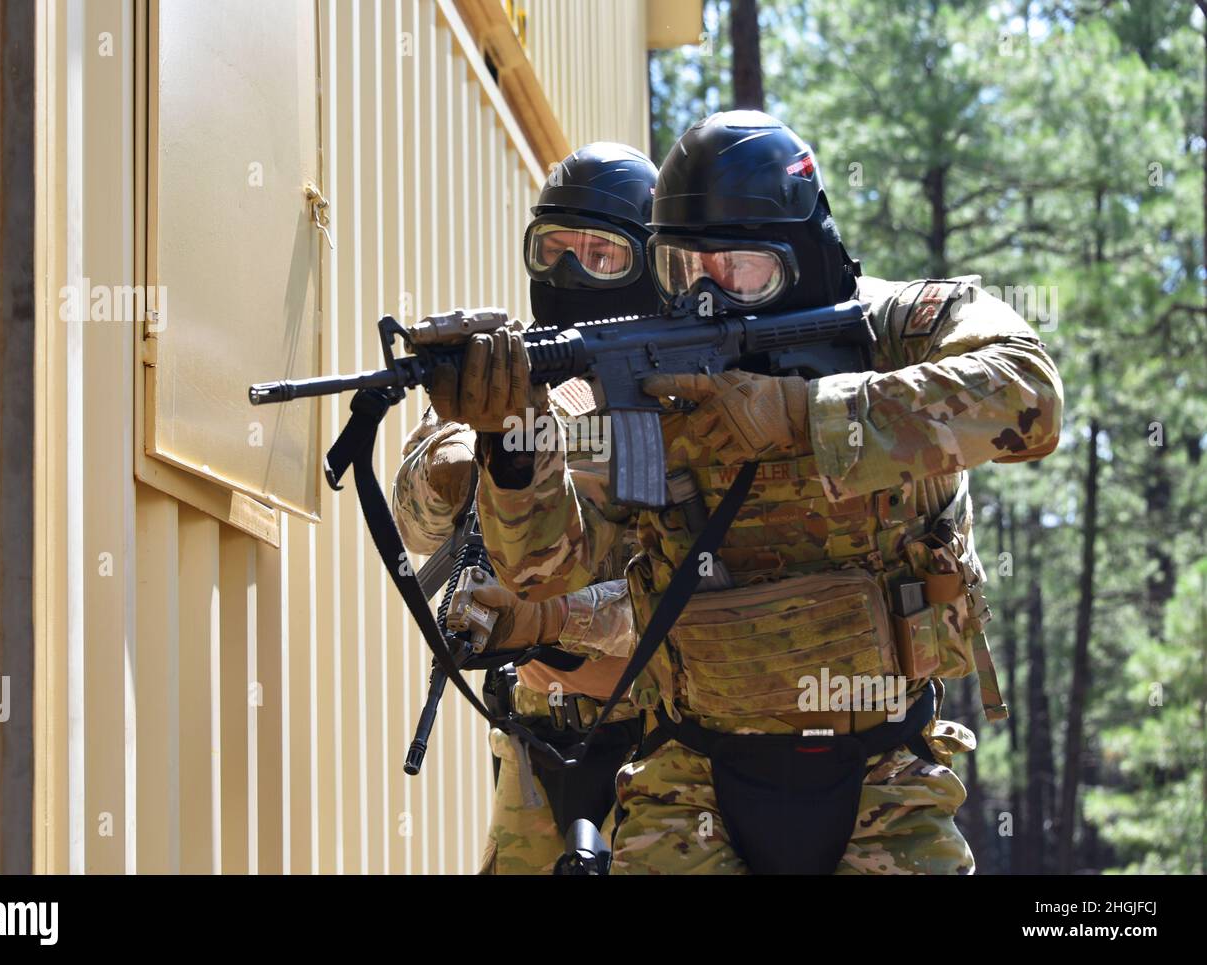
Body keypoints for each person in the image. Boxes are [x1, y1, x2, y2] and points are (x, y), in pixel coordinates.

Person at [435, 111, 1064, 874]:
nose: (707, 293)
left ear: (800, 251)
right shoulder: (651, 380)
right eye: (681, 267)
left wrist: (802, 417)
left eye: (740, 267)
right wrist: (512, 440)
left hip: (887, 775)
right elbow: (551, 572)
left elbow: (1028, 398)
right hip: (688, 778)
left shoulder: (898, 324)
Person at [392, 142, 664, 874]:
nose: (572, 274)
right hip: (535, 738)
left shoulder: (679, 388)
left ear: (648, 263)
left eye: (601, 255)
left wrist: (551, 616)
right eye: (553, 250)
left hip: (668, 746)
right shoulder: (509, 371)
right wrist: (479, 449)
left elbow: (680, 587)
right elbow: (415, 522)